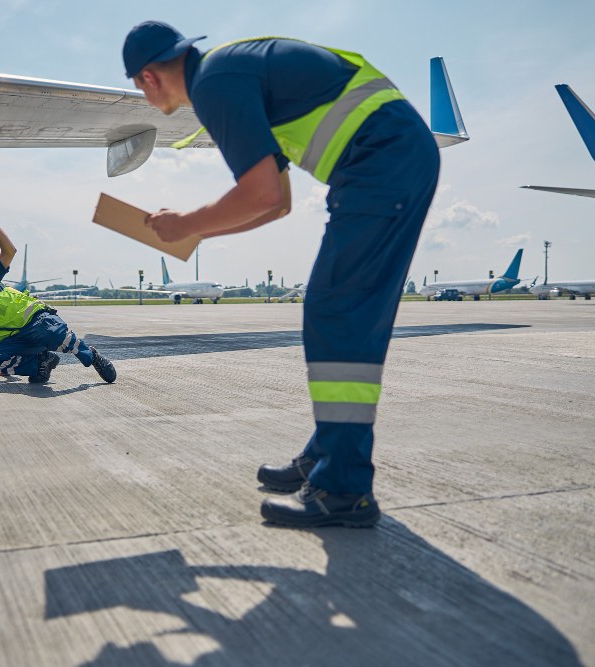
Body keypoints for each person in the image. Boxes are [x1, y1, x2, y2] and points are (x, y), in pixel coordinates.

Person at [123, 22, 441, 528]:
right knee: (337, 313)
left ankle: (344, 490)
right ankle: (325, 456)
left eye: (137, 86)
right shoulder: (227, 70)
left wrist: (185, 223)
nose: (142, 95)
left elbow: (265, 197)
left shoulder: (213, 85)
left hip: (381, 165)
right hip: (387, 161)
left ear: (148, 77)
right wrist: (194, 232)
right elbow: (276, 204)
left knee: (338, 314)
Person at [0, 200, 117, 385]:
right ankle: (42, 362)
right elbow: (8, 351)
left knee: (54, 336)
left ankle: (91, 355)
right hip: (26, 341)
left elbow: (9, 252)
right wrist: (5, 368)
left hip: (39, 322)